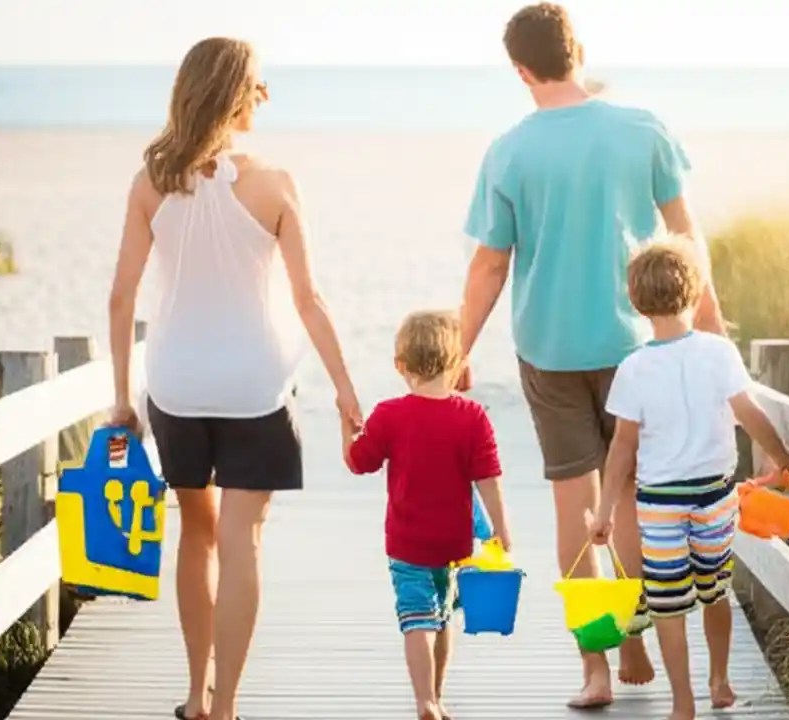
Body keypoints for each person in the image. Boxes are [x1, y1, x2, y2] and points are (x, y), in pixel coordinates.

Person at [457, 3, 728, 709]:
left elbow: (489, 267)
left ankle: (597, 670)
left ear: (522, 70)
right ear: (578, 52)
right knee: (634, 502)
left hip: (547, 352)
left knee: (575, 512)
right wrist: (715, 336)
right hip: (636, 350)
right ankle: (641, 637)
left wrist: (458, 351)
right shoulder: (643, 130)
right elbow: (687, 240)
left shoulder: (509, 150)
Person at [106, 37, 361, 720]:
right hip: (256, 386)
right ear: (236, 95)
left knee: (198, 534)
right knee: (243, 541)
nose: (263, 100)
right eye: (258, 87)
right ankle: (226, 708)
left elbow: (121, 300)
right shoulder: (275, 182)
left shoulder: (148, 182)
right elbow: (310, 301)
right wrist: (345, 388)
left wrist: (121, 399)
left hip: (177, 386)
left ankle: (194, 695)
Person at [589, 241, 789, 720]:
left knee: (667, 604)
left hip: (660, 500)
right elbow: (748, 413)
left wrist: (604, 512)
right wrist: (783, 458)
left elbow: (622, 447)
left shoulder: (633, 368)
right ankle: (721, 680)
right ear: (694, 292)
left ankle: (682, 701)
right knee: (715, 590)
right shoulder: (719, 352)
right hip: (714, 494)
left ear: (635, 301)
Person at [344, 311, 512, 720]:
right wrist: (501, 531)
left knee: (416, 620)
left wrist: (345, 427)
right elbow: (488, 477)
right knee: (442, 619)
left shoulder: (389, 414)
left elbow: (358, 462)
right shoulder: (472, 417)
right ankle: (438, 694)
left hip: (407, 543)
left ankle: (425, 701)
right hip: (455, 544)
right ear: (457, 365)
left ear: (401, 366)